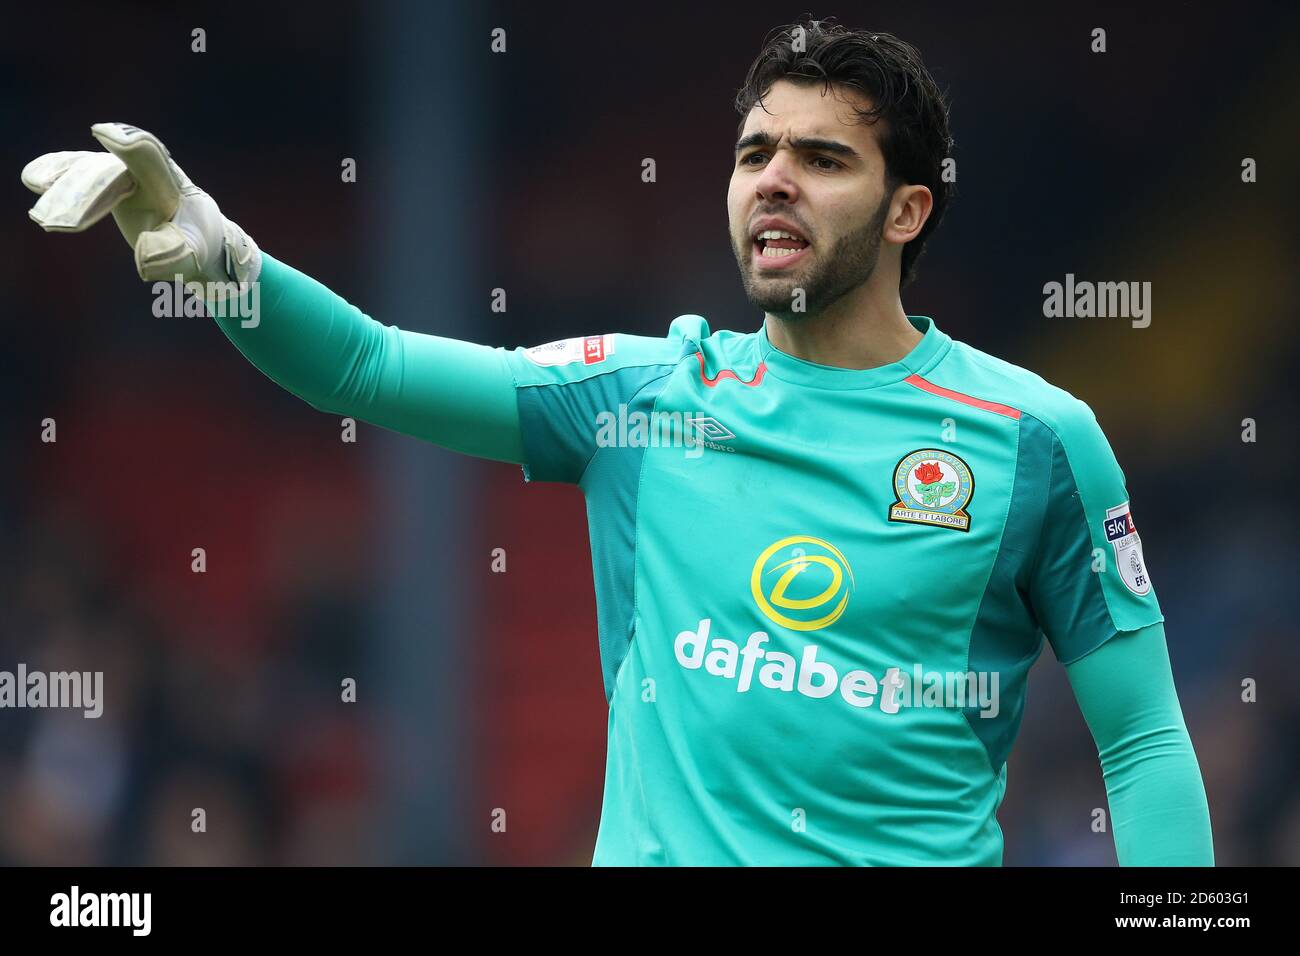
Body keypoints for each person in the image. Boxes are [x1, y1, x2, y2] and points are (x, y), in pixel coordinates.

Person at [23, 20, 1213, 866]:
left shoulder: (1038, 441)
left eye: (822, 157)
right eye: (755, 153)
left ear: (909, 209)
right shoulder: (645, 393)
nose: (773, 182)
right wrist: (230, 263)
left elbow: (1145, 737)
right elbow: (366, 364)